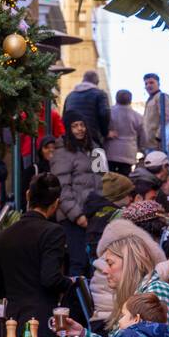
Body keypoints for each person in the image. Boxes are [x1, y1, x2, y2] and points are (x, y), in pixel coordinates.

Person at [65, 234, 169, 337]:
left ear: (129, 264)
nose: (104, 270)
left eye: (110, 263)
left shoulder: (155, 293)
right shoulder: (138, 294)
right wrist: (82, 334)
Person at [0, 172, 70, 337]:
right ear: (56, 203)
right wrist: (70, 282)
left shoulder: (3, 236)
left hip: (11, 322)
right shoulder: (53, 232)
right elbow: (50, 278)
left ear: (28, 195)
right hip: (42, 321)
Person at [51, 113, 104, 275]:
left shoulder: (95, 148)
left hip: (94, 215)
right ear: (68, 128)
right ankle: (74, 300)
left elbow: (104, 179)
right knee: (78, 262)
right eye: (75, 126)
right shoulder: (61, 153)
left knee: (96, 263)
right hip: (72, 218)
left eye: (82, 124)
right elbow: (62, 188)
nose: (80, 129)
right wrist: (77, 215)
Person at [63, 69, 111, 147]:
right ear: (97, 82)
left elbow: (65, 117)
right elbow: (104, 114)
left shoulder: (70, 95)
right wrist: (105, 132)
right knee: (94, 158)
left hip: (72, 137)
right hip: (92, 136)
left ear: (83, 80)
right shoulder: (100, 94)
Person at [107, 89, 143, 175]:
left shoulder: (108, 113)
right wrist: (141, 149)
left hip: (110, 151)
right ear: (130, 100)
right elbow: (142, 136)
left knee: (109, 179)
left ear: (116, 98)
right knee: (125, 180)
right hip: (128, 153)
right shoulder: (137, 117)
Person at [142, 73, 169, 153]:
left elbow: (168, 118)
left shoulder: (162, 97)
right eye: (146, 83)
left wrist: (158, 137)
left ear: (158, 83)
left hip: (161, 144)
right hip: (152, 145)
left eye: (151, 82)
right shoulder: (150, 100)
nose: (148, 85)